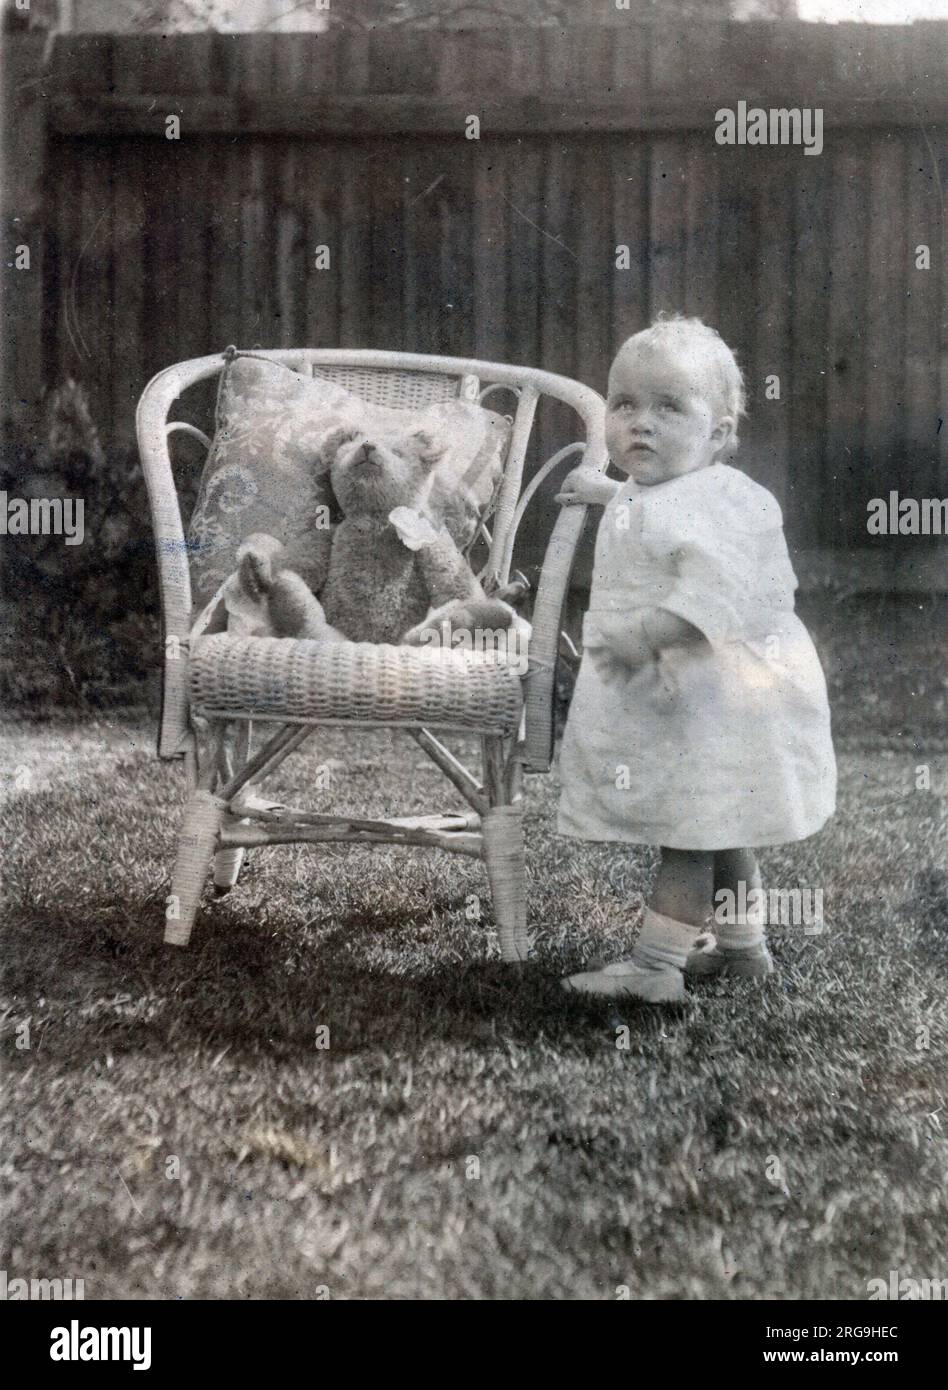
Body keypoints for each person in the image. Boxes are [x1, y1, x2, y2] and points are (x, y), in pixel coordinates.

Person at [555, 316, 836, 1003]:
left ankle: (656, 967)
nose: (640, 423)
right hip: (718, 699)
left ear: (719, 434)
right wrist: (608, 493)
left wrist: (644, 634)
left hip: (714, 691)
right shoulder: (671, 489)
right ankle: (744, 950)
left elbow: (714, 594)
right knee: (723, 821)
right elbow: (652, 508)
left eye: (669, 407)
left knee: (688, 828)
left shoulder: (718, 502)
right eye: (624, 404)